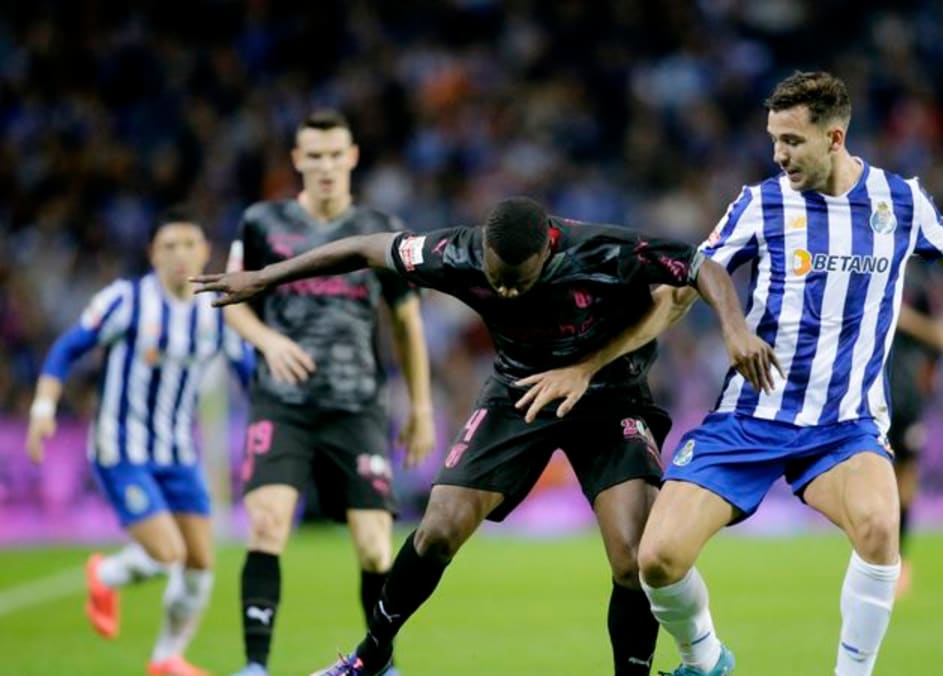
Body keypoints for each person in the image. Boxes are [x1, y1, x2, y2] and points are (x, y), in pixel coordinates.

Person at [516, 71, 943, 676]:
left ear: (834, 137)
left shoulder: (898, 203)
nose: (779, 155)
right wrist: (588, 365)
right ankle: (706, 656)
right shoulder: (760, 204)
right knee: (656, 560)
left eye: (791, 141)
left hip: (843, 425)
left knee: (882, 528)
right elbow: (681, 292)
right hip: (749, 417)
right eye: (774, 140)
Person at [192, 195, 778, 676]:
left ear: (547, 252)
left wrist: (733, 329)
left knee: (632, 560)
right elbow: (365, 248)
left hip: (610, 395)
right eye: (497, 280)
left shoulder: (600, 249)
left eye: (518, 281)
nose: (507, 292)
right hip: (518, 393)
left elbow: (700, 267)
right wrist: (267, 277)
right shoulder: (457, 252)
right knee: (439, 527)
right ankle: (370, 657)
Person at [221, 110, 436, 676]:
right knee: (267, 524)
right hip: (282, 403)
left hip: (356, 405)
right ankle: (255, 666)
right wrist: (269, 341)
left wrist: (420, 407)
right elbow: (232, 301)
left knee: (375, 545)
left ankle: (382, 665)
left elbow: (406, 320)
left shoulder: (379, 226)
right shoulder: (262, 222)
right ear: (297, 160)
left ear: (352, 157)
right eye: (313, 155)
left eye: (334, 154)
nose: (324, 166)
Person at [26, 208, 254, 676]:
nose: (179, 255)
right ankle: (104, 574)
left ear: (205, 250)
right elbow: (67, 348)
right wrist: (43, 409)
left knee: (200, 561)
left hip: (178, 452)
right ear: (153, 253)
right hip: (121, 450)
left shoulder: (217, 310)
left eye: (189, 244)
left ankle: (166, 657)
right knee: (167, 554)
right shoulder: (125, 300)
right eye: (169, 246)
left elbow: (249, 374)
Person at [890, 285, 943, 597]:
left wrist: (904, 318)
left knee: (904, 480)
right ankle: (873, 557)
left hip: (906, 396)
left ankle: (899, 558)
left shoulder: (918, 279)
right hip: (863, 397)